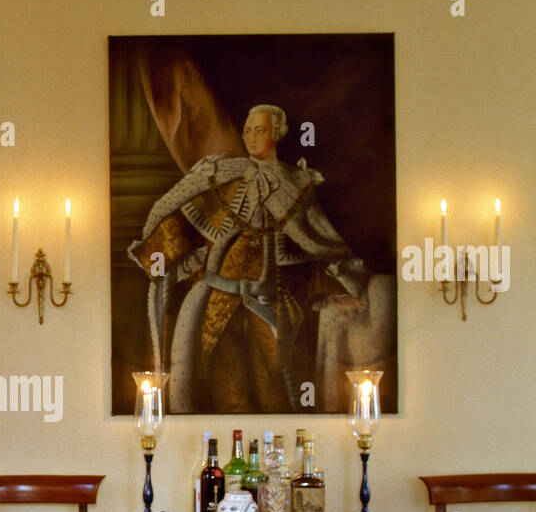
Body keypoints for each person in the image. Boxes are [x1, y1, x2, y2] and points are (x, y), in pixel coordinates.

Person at [128, 104, 370, 412]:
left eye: (261, 131)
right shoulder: (222, 177)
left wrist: (338, 289)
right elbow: (177, 218)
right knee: (226, 391)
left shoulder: (296, 185)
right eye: (248, 131)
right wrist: (172, 257)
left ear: (277, 134)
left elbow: (318, 244)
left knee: (276, 393)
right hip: (217, 307)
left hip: (271, 308)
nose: (252, 138)